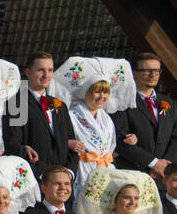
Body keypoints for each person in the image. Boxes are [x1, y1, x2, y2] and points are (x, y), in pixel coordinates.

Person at [54, 55, 133, 195]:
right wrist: (67, 143)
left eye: (105, 92)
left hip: (106, 169)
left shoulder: (107, 119)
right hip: (84, 169)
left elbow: (112, 146)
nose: (101, 97)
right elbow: (56, 139)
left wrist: (128, 140)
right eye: (97, 91)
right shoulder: (72, 116)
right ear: (86, 92)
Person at [114, 52, 175, 180]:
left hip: (165, 178)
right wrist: (153, 163)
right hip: (133, 175)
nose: (153, 75)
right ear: (134, 73)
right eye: (147, 71)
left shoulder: (170, 103)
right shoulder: (122, 102)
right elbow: (119, 139)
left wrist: (165, 166)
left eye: (157, 71)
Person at [16, 52, 74, 178]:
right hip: (35, 178)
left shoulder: (58, 104)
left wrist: (69, 173)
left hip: (63, 181)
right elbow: (15, 146)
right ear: (28, 72)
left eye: (50, 70)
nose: (46, 75)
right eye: (40, 70)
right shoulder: (16, 104)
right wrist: (44, 174)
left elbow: (71, 142)